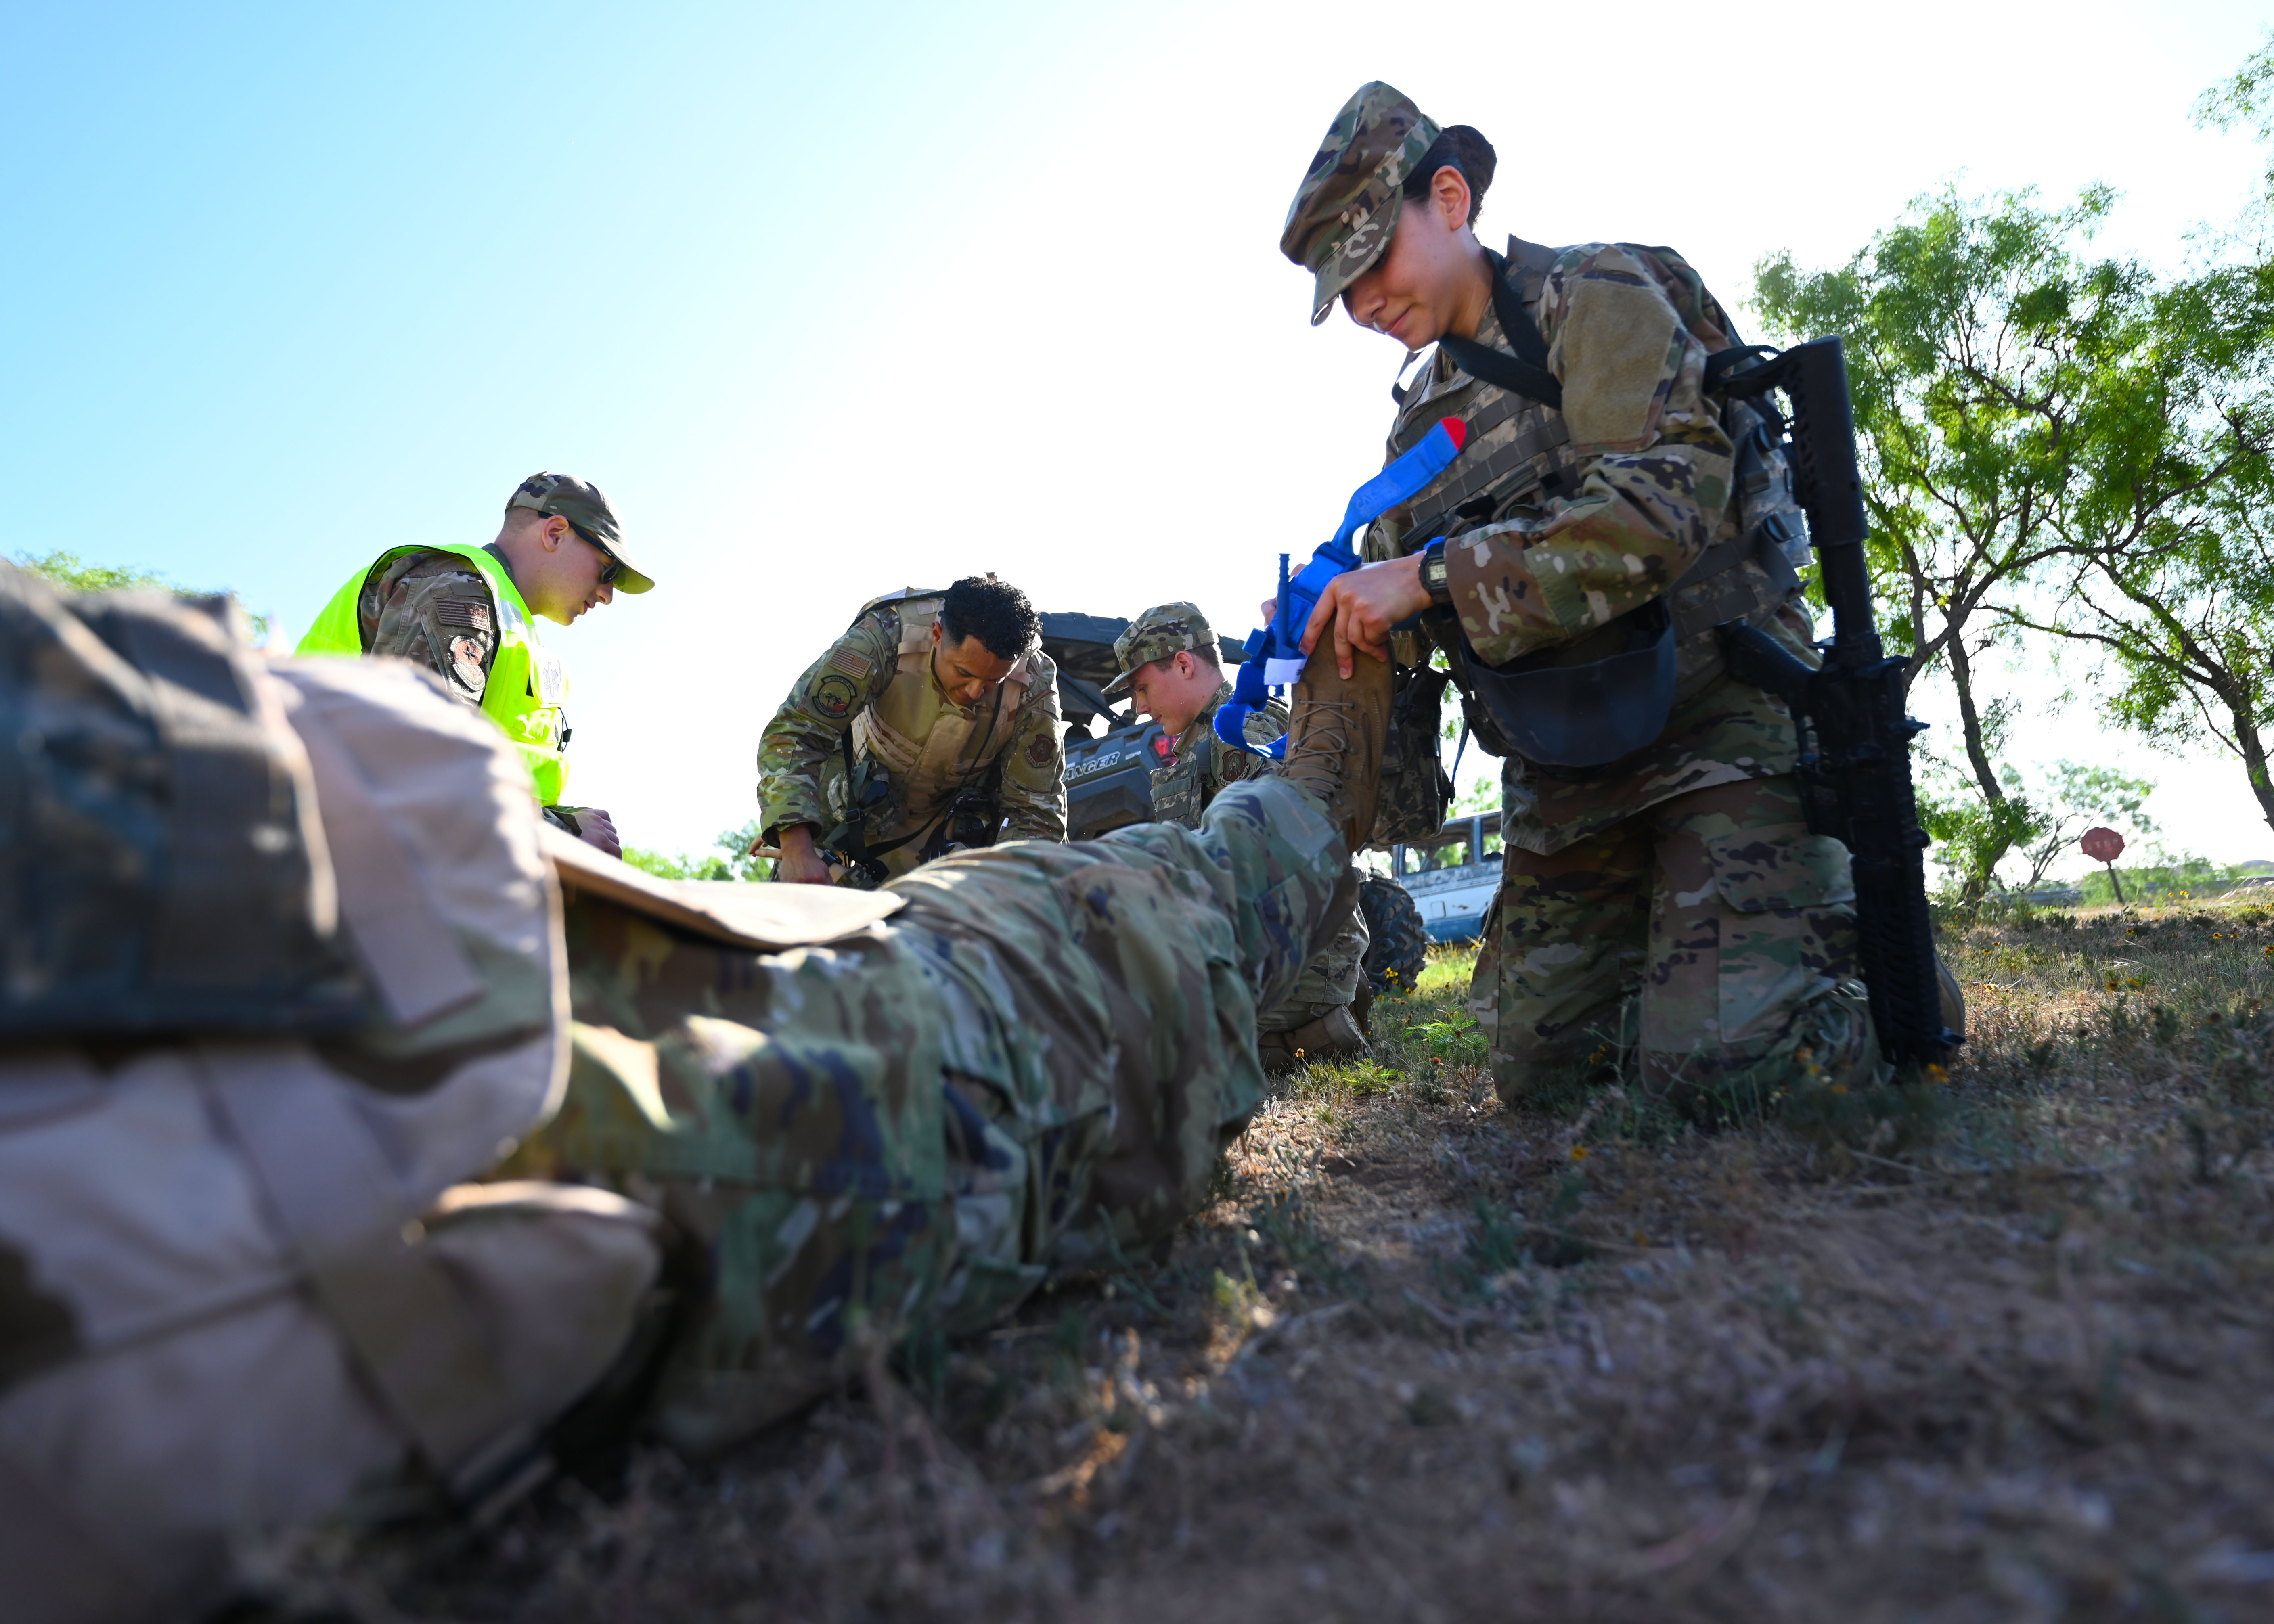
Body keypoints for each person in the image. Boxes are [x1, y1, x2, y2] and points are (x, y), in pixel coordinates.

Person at [1276, 82, 1896, 1111]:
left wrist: (1426, 576)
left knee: (1727, 1074)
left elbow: (1658, 508)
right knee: (1545, 1082)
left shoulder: (1596, 295)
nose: (1365, 305)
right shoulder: (1418, 429)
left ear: (1448, 200)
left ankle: (1848, 979)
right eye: (1343, 293)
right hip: (1568, 763)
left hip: (1718, 715)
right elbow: (1402, 602)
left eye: (1372, 263)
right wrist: (1334, 610)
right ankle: (1711, 964)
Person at [297, 471, 648, 855]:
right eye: (607, 569)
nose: (608, 594)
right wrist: (565, 834)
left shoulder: (501, 615)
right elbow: (421, 766)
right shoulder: (460, 592)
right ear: (555, 534)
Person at [1106, 601, 1372, 1067]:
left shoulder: (1242, 733)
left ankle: (1307, 1033)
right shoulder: (1209, 737)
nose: (1139, 707)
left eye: (1142, 688)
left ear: (1183, 664)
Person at [758, 575, 1066, 887]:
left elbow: (1035, 811)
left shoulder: (1034, 681)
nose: (975, 691)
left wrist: (1011, 891)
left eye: (993, 682)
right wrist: (795, 845)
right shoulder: (886, 634)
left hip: (947, 835)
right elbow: (797, 732)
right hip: (848, 806)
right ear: (937, 635)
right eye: (964, 673)